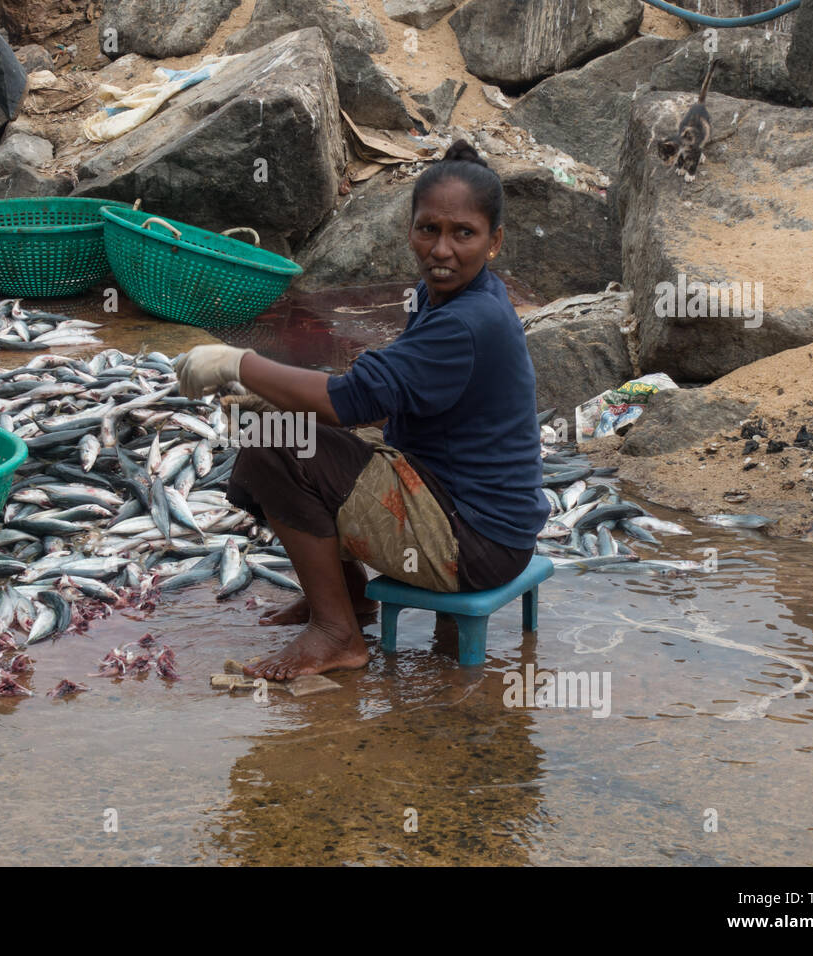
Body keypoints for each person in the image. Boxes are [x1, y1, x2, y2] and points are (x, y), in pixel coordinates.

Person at [175, 140, 550, 681]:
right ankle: (348, 600)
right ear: (410, 229)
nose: (441, 249)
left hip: (477, 543)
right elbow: (387, 396)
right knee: (272, 429)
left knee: (279, 444)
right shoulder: (443, 297)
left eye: (463, 234)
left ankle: (338, 634)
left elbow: (350, 401)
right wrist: (273, 395)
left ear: (494, 243)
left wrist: (239, 362)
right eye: (429, 229)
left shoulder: (470, 321)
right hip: (461, 503)